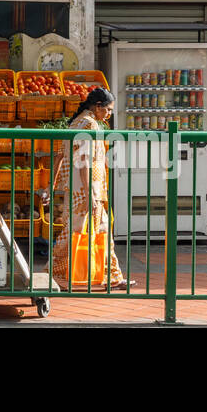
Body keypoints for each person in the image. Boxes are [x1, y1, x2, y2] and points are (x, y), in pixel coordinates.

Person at [47, 87, 134, 290]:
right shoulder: (89, 124)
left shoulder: (77, 123)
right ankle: (53, 275)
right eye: (108, 109)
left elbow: (60, 156)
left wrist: (52, 186)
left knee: (102, 231)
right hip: (84, 191)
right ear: (97, 107)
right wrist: (89, 195)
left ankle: (112, 277)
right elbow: (84, 160)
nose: (110, 114)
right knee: (74, 233)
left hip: (82, 189)